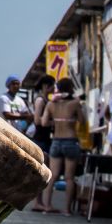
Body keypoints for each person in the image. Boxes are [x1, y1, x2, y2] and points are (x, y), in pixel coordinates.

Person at [41, 77, 85, 214]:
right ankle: (67, 210)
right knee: (69, 177)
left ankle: (47, 206)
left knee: (53, 175)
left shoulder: (51, 104)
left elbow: (43, 122)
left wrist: (56, 122)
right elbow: (82, 120)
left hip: (56, 141)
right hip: (70, 140)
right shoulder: (75, 103)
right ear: (71, 88)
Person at [30, 74, 55, 211]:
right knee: (42, 172)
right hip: (40, 139)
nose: (54, 88)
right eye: (52, 85)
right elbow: (37, 120)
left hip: (45, 139)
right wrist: (53, 122)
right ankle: (37, 202)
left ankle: (39, 202)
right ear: (46, 86)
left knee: (44, 172)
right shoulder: (40, 100)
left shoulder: (46, 100)